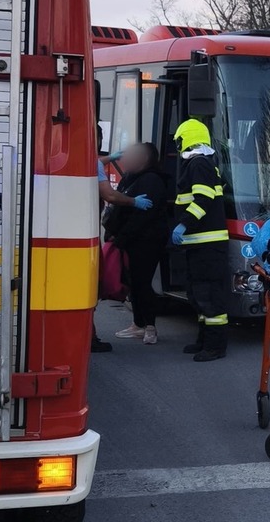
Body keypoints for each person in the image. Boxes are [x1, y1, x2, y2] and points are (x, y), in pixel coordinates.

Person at [170, 119, 230, 362]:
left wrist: (184, 223)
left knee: (209, 295)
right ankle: (204, 340)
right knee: (198, 294)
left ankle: (215, 346)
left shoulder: (199, 164)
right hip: (200, 244)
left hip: (208, 245)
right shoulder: (201, 163)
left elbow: (202, 199)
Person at [104, 143, 170, 346]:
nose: (127, 159)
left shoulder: (151, 180)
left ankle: (149, 327)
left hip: (146, 241)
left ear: (145, 160)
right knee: (134, 283)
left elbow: (142, 217)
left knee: (142, 283)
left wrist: (121, 237)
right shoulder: (130, 177)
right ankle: (138, 324)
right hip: (130, 240)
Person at [93, 149, 153, 354]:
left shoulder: (91, 161)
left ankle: (90, 336)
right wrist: (134, 201)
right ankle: (90, 337)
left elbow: (96, 162)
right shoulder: (95, 164)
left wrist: (110, 158)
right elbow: (109, 194)